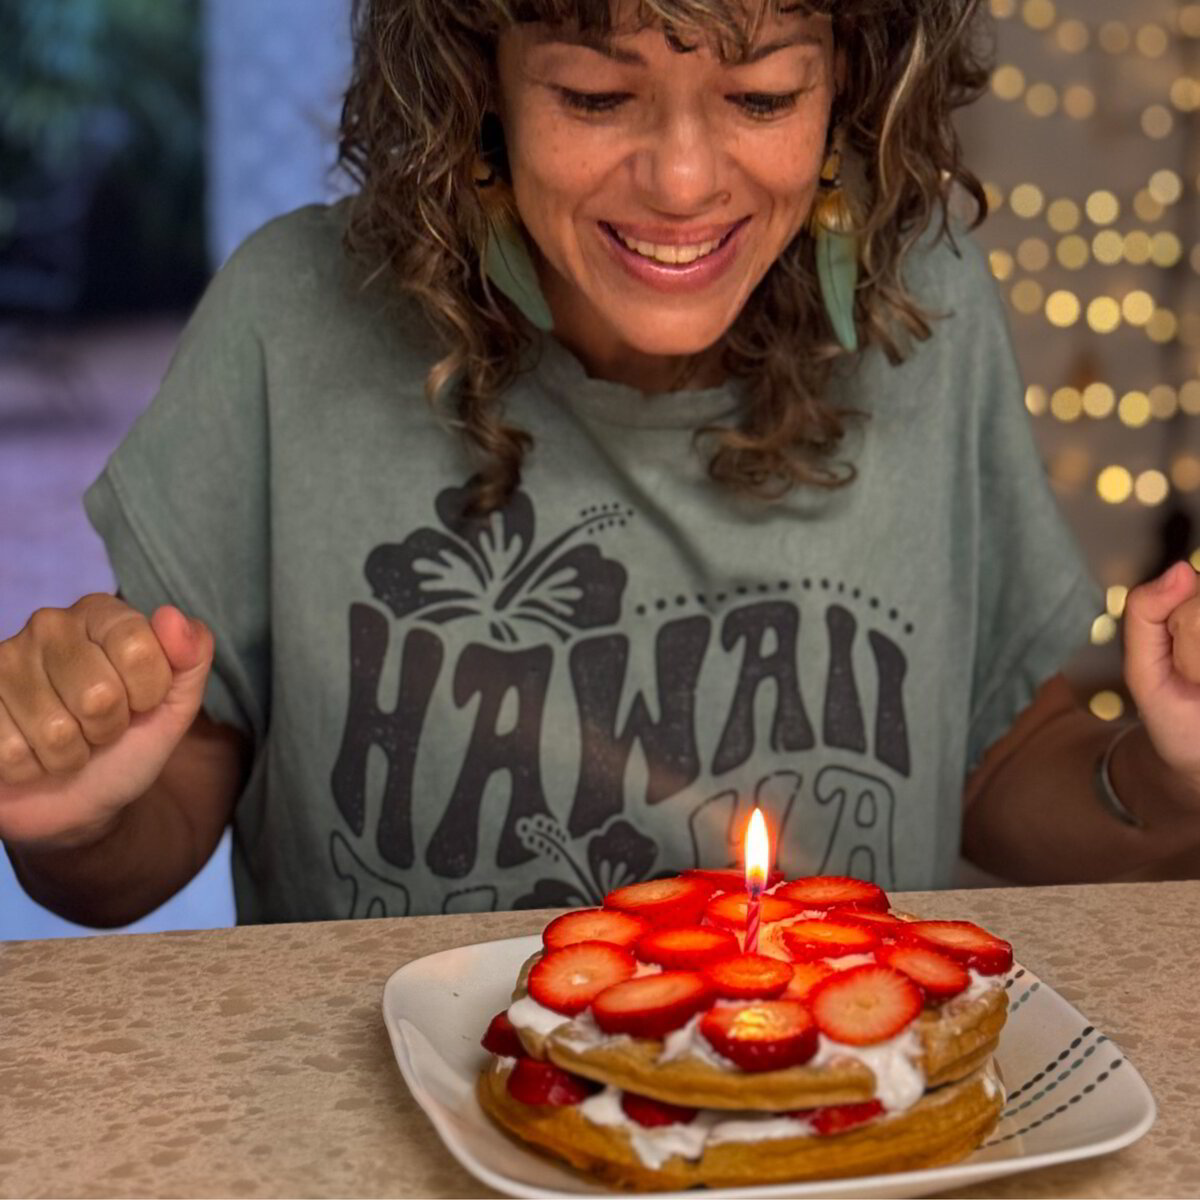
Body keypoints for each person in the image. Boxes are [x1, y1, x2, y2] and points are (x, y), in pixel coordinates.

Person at [2, 0, 1198, 929]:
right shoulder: (290, 316)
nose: (682, 183)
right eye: (591, 95)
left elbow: (1001, 771)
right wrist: (70, 820)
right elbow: (140, 848)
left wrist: (1167, 770)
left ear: (851, 93)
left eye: (764, 96)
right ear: (482, 86)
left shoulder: (921, 310)